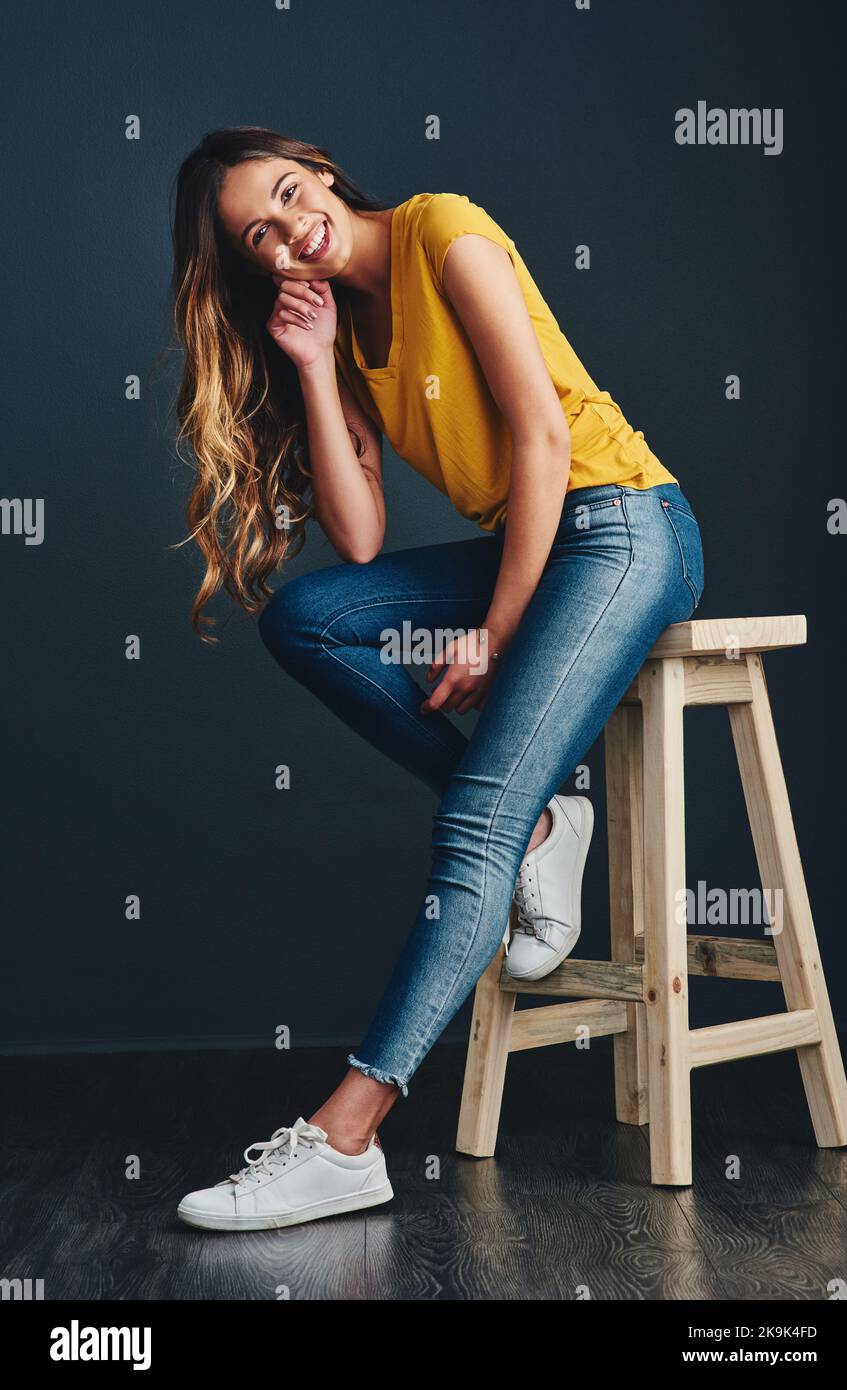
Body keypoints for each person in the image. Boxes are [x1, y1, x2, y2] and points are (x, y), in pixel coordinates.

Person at [170, 127, 705, 1231]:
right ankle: (543, 822)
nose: (287, 233)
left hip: (625, 523)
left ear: (315, 165)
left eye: (285, 195)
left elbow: (546, 441)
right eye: (258, 237)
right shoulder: (344, 324)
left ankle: (347, 1137)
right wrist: (317, 367)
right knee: (310, 620)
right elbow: (360, 543)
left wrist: (498, 631)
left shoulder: (444, 230)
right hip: (538, 542)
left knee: (471, 827)